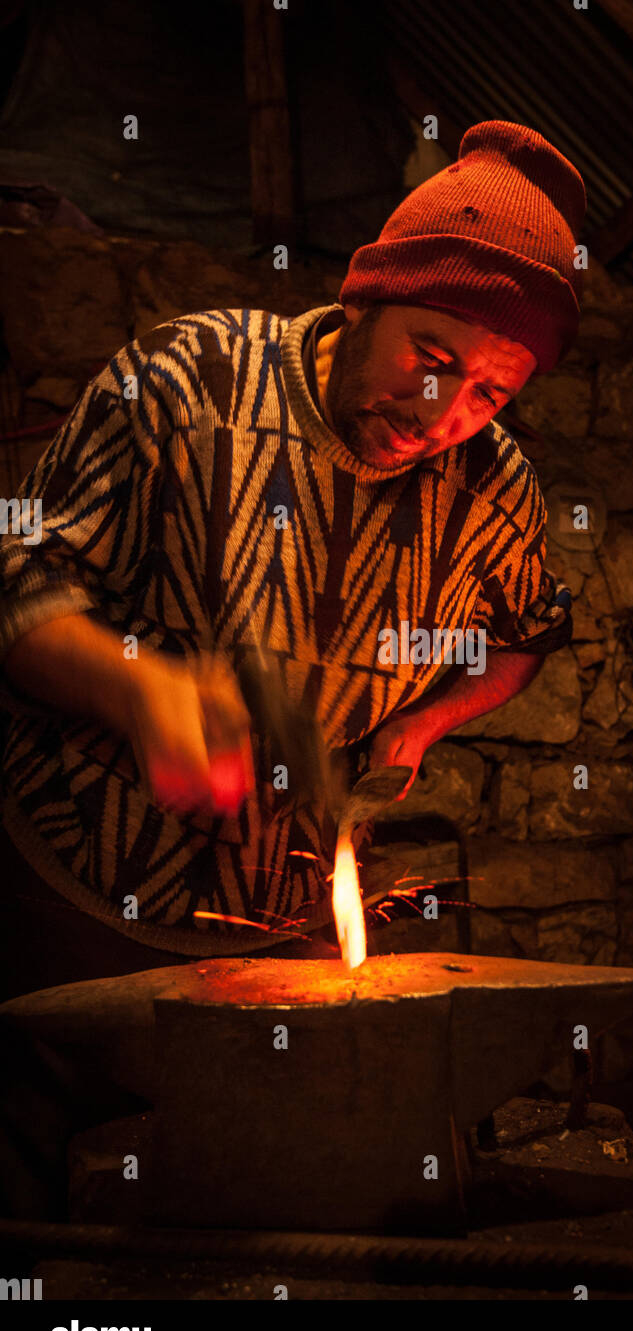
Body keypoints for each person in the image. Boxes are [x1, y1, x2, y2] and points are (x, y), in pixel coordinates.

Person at [0, 120, 584, 1000]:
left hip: (285, 921)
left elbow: (527, 636)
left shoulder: (496, 492)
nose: (440, 415)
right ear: (361, 298)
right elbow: (18, 581)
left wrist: (423, 723)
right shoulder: (183, 382)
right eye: (430, 359)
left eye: (490, 392)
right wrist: (140, 688)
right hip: (77, 896)